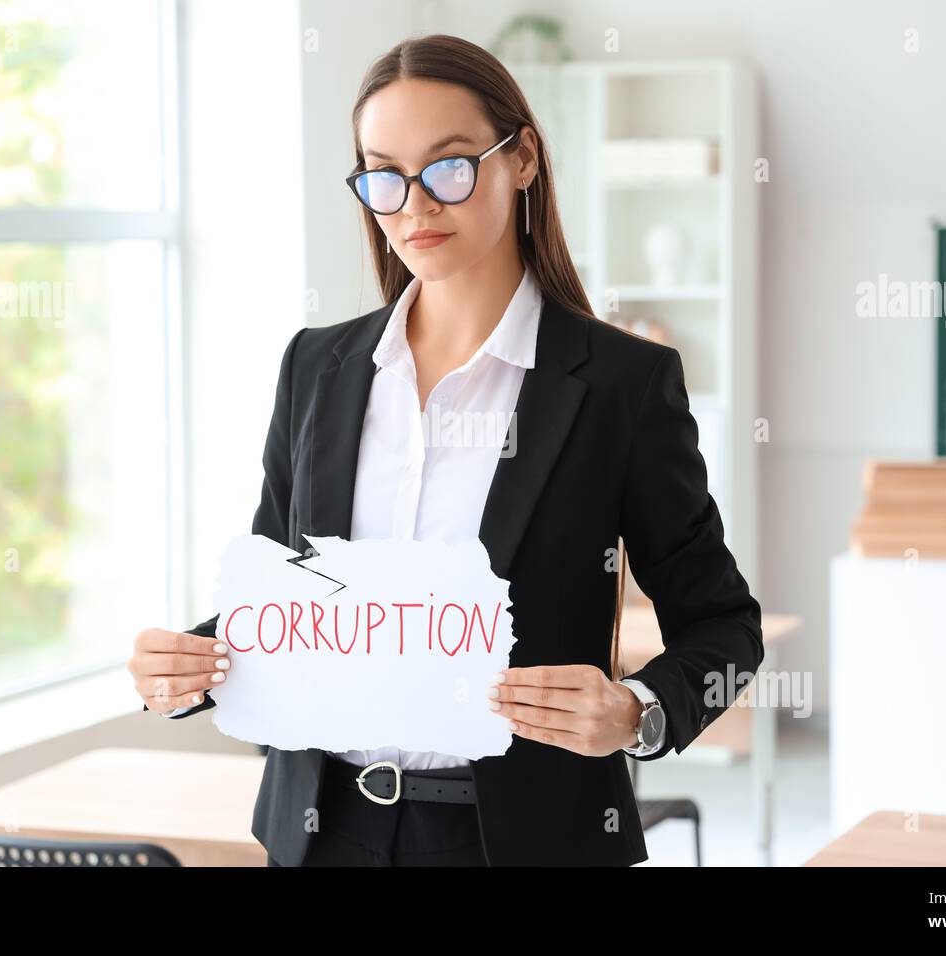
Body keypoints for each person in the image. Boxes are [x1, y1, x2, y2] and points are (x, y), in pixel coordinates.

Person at [127, 33, 762, 866]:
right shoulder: (316, 368)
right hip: (325, 833)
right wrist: (191, 664)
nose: (415, 206)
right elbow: (289, 608)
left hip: (521, 841)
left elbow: (724, 628)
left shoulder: (620, 385)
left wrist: (638, 712)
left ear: (523, 157)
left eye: (451, 166)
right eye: (383, 175)